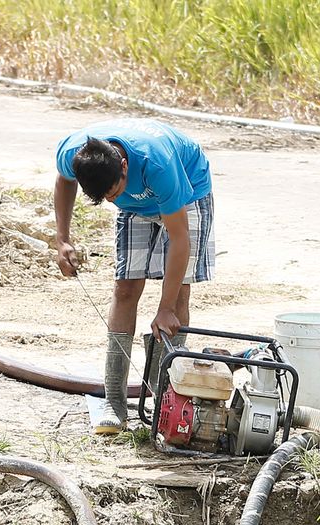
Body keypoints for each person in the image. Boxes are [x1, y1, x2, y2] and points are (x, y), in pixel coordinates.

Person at [54, 119, 215, 434]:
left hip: (187, 194)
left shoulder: (159, 165)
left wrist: (165, 307)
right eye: (105, 199)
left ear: (124, 167)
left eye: (113, 192)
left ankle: (163, 402)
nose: (112, 201)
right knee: (125, 289)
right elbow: (63, 181)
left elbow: (179, 239)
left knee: (178, 293)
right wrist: (62, 239)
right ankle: (115, 404)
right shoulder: (74, 153)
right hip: (138, 202)